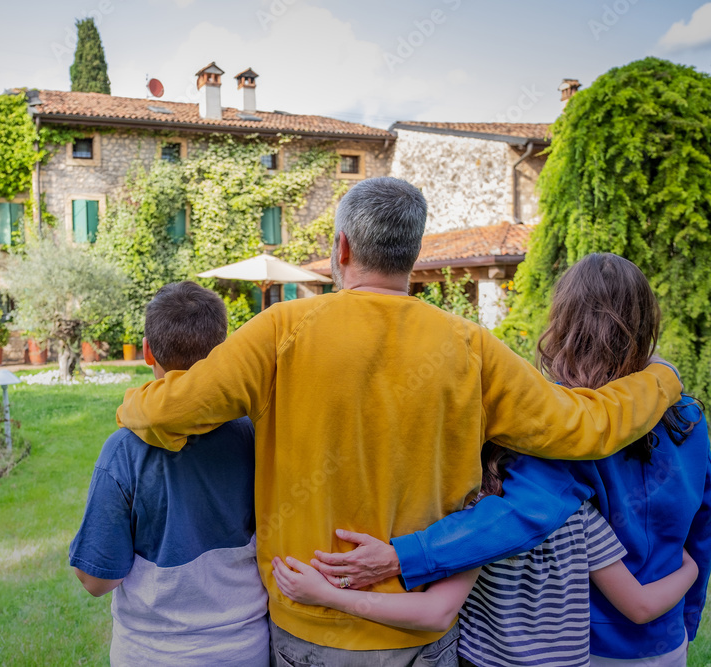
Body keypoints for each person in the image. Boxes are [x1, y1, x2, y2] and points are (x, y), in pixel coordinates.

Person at [116, 178, 683, 664]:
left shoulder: (278, 330)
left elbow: (172, 409)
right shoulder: (470, 347)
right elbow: (583, 428)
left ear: (341, 248)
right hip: (424, 624)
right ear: (412, 256)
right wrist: (661, 379)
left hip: (311, 618)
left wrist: (130, 407)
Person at [310, 253, 710, 665]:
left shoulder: (563, 421)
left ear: (565, 323)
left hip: (595, 644)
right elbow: (700, 530)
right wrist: (689, 616)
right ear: (646, 324)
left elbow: (518, 516)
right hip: (666, 635)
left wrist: (403, 556)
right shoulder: (691, 421)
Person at [68, 281, 267, 667]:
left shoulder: (123, 451)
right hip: (246, 648)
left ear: (146, 351)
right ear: (223, 352)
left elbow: (97, 580)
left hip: (152, 653)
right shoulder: (256, 433)